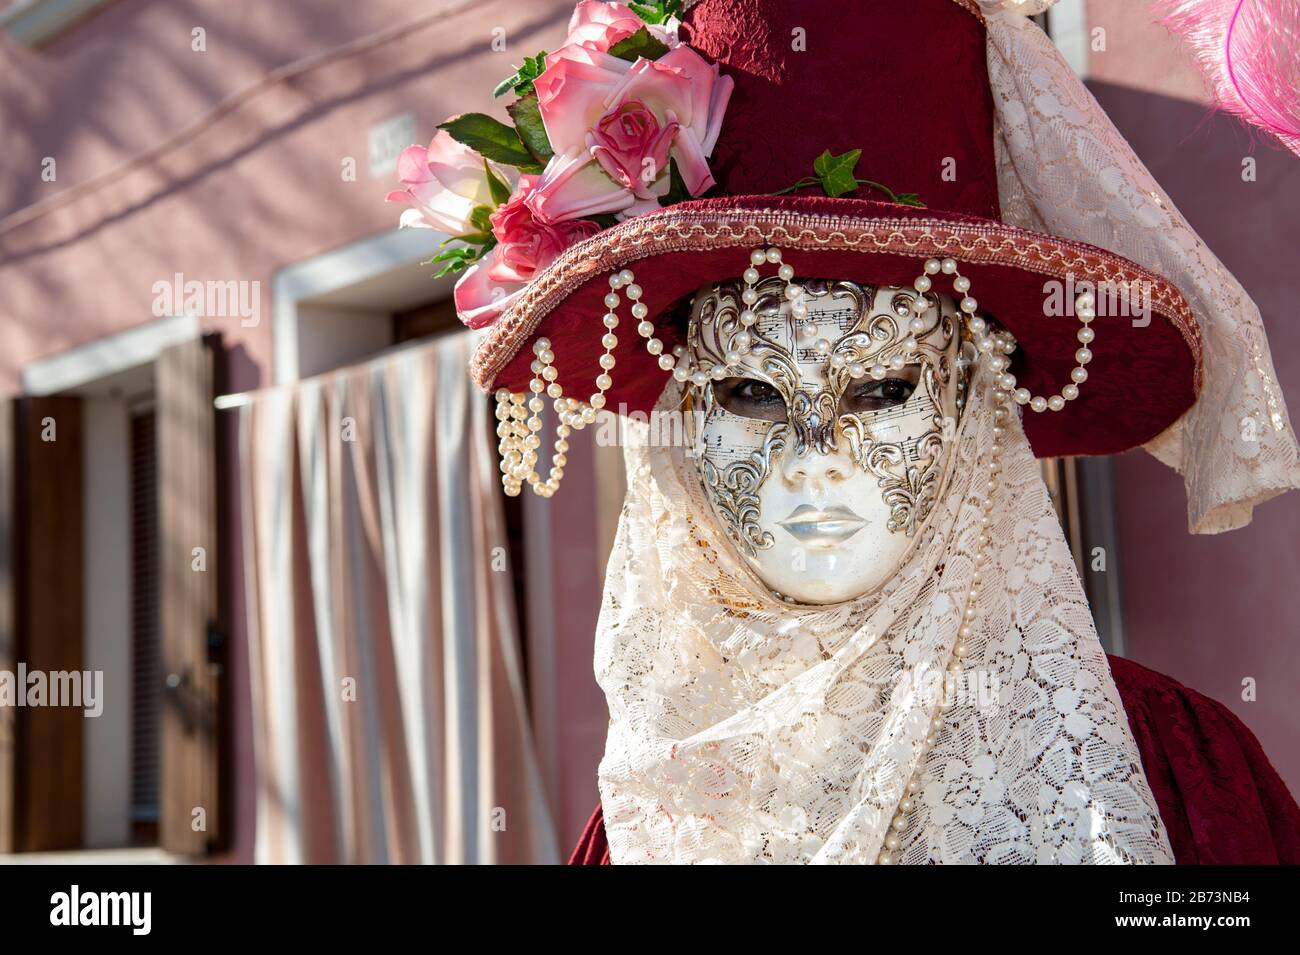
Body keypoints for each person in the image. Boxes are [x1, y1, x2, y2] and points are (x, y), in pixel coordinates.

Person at [393, 0, 1300, 862]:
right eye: (751, 394)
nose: (816, 460)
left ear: (971, 410)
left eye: (883, 390)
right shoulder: (652, 824)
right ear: (679, 426)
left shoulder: (1173, 774)